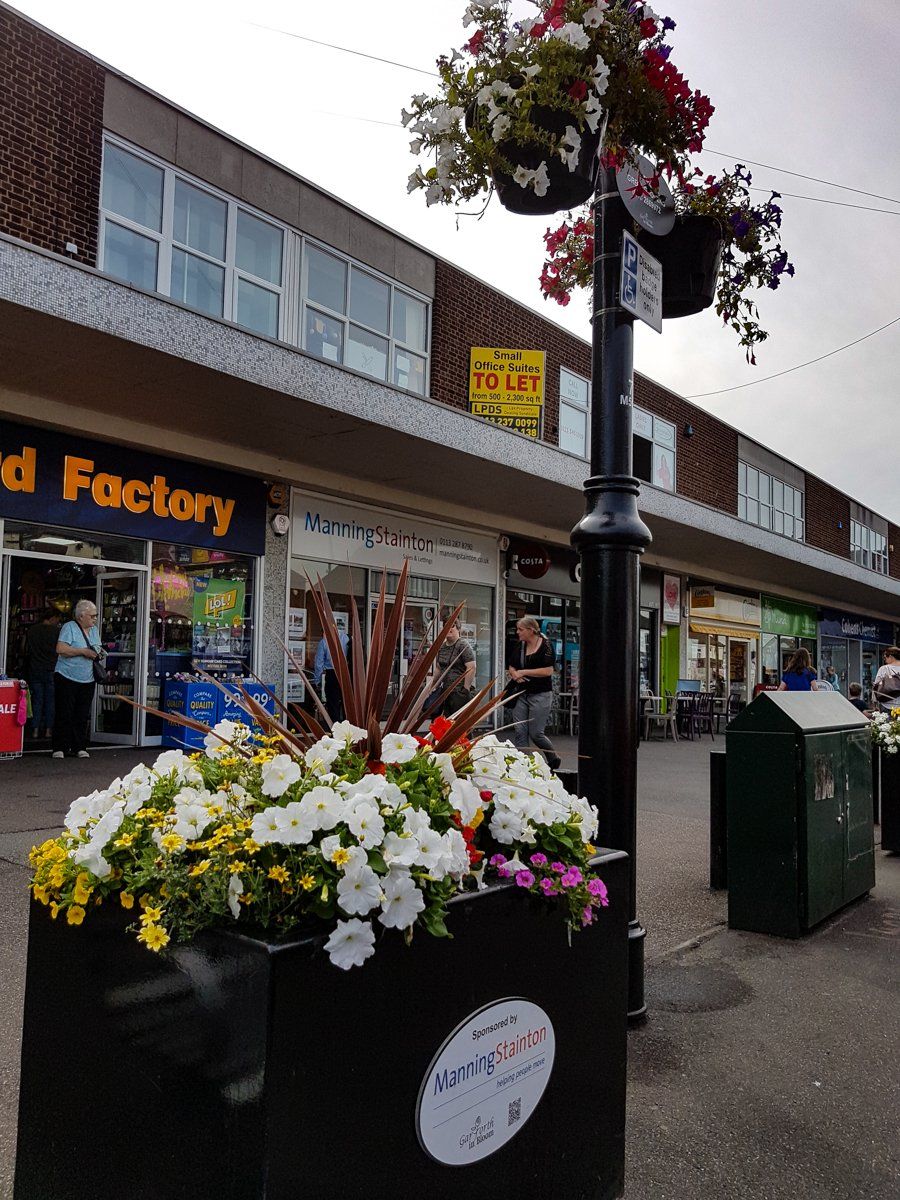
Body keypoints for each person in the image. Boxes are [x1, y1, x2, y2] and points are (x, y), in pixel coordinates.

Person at [506, 616, 560, 770]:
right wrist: (515, 674)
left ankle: (553, 757)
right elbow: (512, 666)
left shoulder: (547, 646)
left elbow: (548, 670)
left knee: (536, 733)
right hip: (521, 694)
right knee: (520, 732)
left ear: (531, 630)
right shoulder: (520, 646)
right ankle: (525, 766)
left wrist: (524, 672)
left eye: (520, 629)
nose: (517, 632)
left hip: (540, 694)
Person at [52, 598, 102, 759]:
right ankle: (59, 747)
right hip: (66, 676)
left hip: (87, 678)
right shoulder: (69, 627)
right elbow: (61, 648)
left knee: (81, 713)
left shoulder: (94, 630)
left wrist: (98, 652)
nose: (95, 618)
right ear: (81, 616)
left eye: (96, 615)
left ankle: (79, 746)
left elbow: (97, 647)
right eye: (92, 616)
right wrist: (83, 651)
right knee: (64, 712)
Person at [24, 609, 61, 739]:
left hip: (35, 669)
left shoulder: (32, 631)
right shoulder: (56, 632)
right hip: (50, 668)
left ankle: (34, 729)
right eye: (57, 619)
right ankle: (48, 730)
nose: (58, 622)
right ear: (52, 618)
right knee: (50, 701)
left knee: (37, 700)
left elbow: (27, 650)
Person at [432, 618, 476, 717]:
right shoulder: (442, 647)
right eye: (446, 626)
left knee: (459, 724)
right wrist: (433, 687)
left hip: (459, 692)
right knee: (445, 723)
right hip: (445, 692)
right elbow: (439, 668)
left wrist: (465, 690)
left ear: (458, 629)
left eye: (452, 626)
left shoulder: (463, 645)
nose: (449, 629)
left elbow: (472, 667)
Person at [312, 627, 350, 722]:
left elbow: (319, 663)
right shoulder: (346, 638)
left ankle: (335, 729)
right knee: (347, 703)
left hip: (332, 674)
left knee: (333, 704)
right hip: (346, 674)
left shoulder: (324, 642)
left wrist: (317, 681)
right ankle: (348, 727)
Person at [872, 646, 900, 712]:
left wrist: (874, 703)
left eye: (885, 657)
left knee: (885, 722)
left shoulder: (884, 669)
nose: (885, 660)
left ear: (891, 656)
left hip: (886, 704)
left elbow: (876, 687)